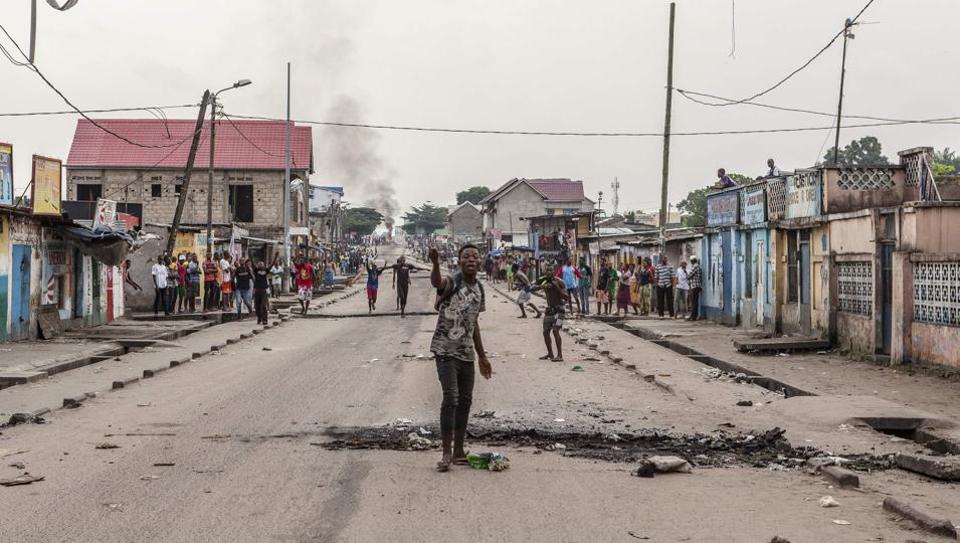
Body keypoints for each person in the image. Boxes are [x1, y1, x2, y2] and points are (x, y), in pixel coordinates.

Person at [428, 244, 491, 473]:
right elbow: (437, 283)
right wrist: (435, 263)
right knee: (451, 399)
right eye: (466, 256)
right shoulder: (454, 281)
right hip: (445, 350)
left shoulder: (480, 289)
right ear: (460, 261)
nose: (471, 259)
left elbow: (474, 324)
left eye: (475, 256)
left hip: (466, 354)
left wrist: (482, 356)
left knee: (465, 401)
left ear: (480, 260)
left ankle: (458, 451)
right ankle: (446, 452)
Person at [530, 262, 569, 361]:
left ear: (554, 271)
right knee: (545, 332)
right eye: (547, 270)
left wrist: (557, 289)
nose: (549, 272)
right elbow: (531, 288)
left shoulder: (560, 282)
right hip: (549, 310)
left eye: (551, 270)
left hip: (559, 310)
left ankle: (560, 355)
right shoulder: (543, 281)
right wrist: (542, 286)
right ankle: (550, 354)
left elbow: (566, 297)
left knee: (556, 331)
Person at [253, 260, 270, 325]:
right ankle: (259, 317)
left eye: (262, 264)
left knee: (263, 305)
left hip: (263, 291)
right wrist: (251, 257)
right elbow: (253, 262)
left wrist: (275, 257)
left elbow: (271, 266)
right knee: (257, 306)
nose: (260, 265)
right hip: (257, 291)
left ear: (264, 265)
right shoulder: (256, 271)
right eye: (259, 264)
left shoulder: (266, 271)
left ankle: (265, 320)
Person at [687, 256, 703, 321]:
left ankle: (693, 316)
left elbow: (689, 276)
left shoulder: (695, 267)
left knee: (694, 302)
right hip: (697, 286)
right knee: (695, 301)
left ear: (692, 261)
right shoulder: (698, 267)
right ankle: (693, 315)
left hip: (695, 286)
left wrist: (686, 273)